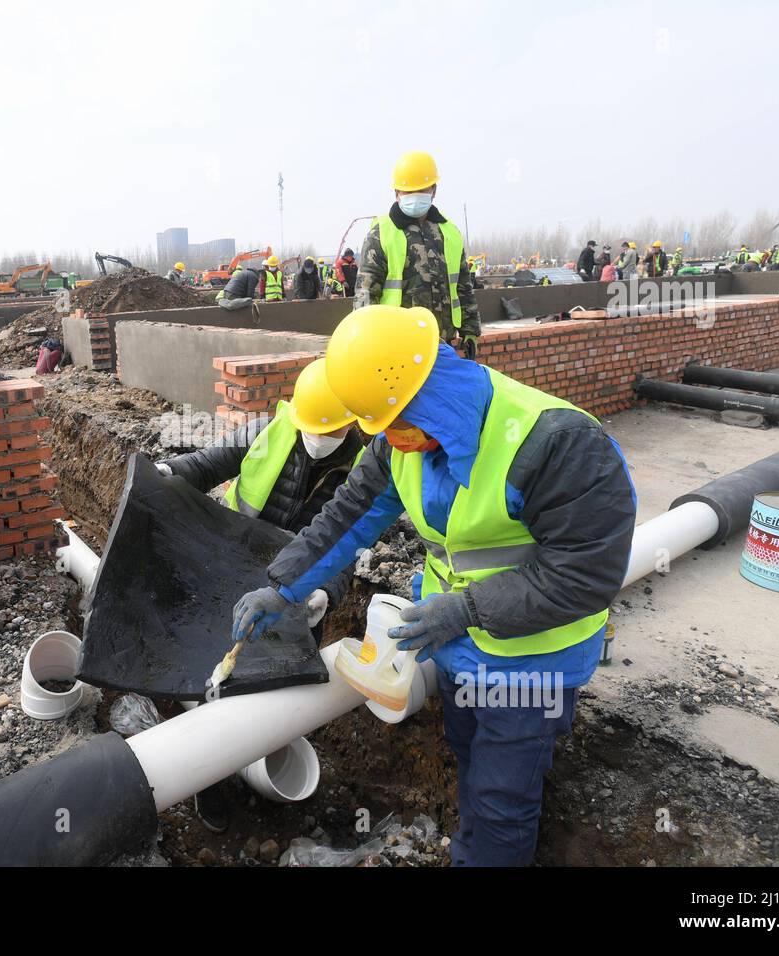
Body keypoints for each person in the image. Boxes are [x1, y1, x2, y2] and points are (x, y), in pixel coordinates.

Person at [231, 305, 637, 867]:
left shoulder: (559, 444)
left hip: (534, 659)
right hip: (459, 649)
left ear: (432, 396)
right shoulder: (401, 442)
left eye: (399, 424)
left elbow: (585, 573)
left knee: (501, 799)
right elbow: (347, 517)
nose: (393, 442)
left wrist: (467, 608)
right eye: (383, 430)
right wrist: (285, 587)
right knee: (471, 761)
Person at [159, 358, 364, 831]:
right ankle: (210, 778)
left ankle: (264, 750)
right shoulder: (271, 430)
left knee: (277, 678)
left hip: (296, 586)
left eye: (327, 430)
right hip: (233, 557)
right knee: (214, 666)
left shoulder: (361, 467)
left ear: (350, 422)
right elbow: (209, 463)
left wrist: (325, 594)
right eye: (310, 427)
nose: (317, 438)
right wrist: (167, 471)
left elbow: (349, 543)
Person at [358, 150, 481, 359]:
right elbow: (366, 293)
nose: (415, 196)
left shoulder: (449, 232)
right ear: (397, 192)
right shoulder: (382, 232)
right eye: (408, 191)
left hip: (443, 344)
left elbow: (463, 286)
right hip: (398, 347)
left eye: (421, 190)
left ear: (434, 189)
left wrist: (470, 331)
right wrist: (367, 340)